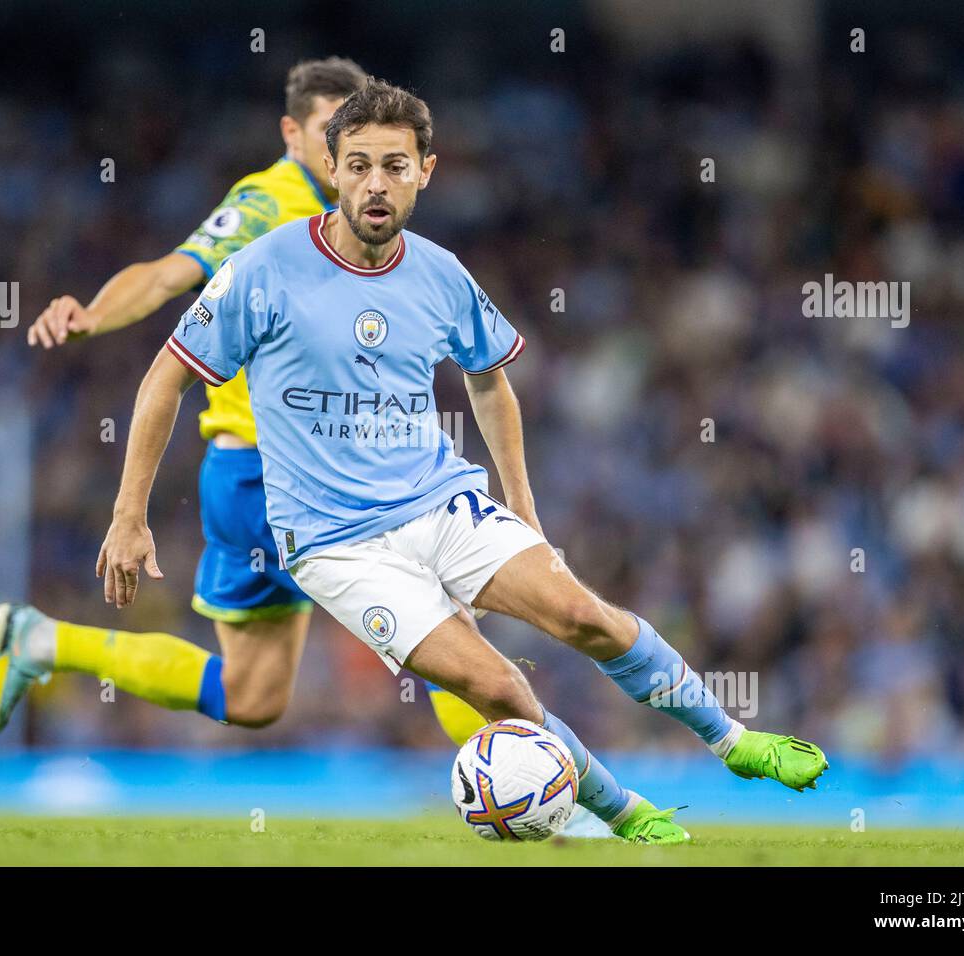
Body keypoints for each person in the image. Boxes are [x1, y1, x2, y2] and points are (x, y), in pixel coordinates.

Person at [100, 79, 830, 841]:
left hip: (440, 502)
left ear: (426, 171)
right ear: (334, 168)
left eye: (394, 165)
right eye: (357, 165)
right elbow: (168, 376)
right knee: (499, 687)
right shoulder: (266, 268)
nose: (375, 183)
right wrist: (129, 517)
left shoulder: (441, 273)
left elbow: (489, 382)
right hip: (335, 543)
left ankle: (732, 741)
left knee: (585, 615)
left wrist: (524, 505)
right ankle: (629, 816)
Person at [0, 58, 485, 750]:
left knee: (251, 696)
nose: (347, 146)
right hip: (281, 474)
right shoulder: (266, 206)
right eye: (329, 130)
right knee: (450, 628)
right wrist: (94, 314)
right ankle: (551, 799)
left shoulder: (358, 207)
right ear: (292, 133)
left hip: (277, 472)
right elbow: (168, 273)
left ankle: (45, 641)